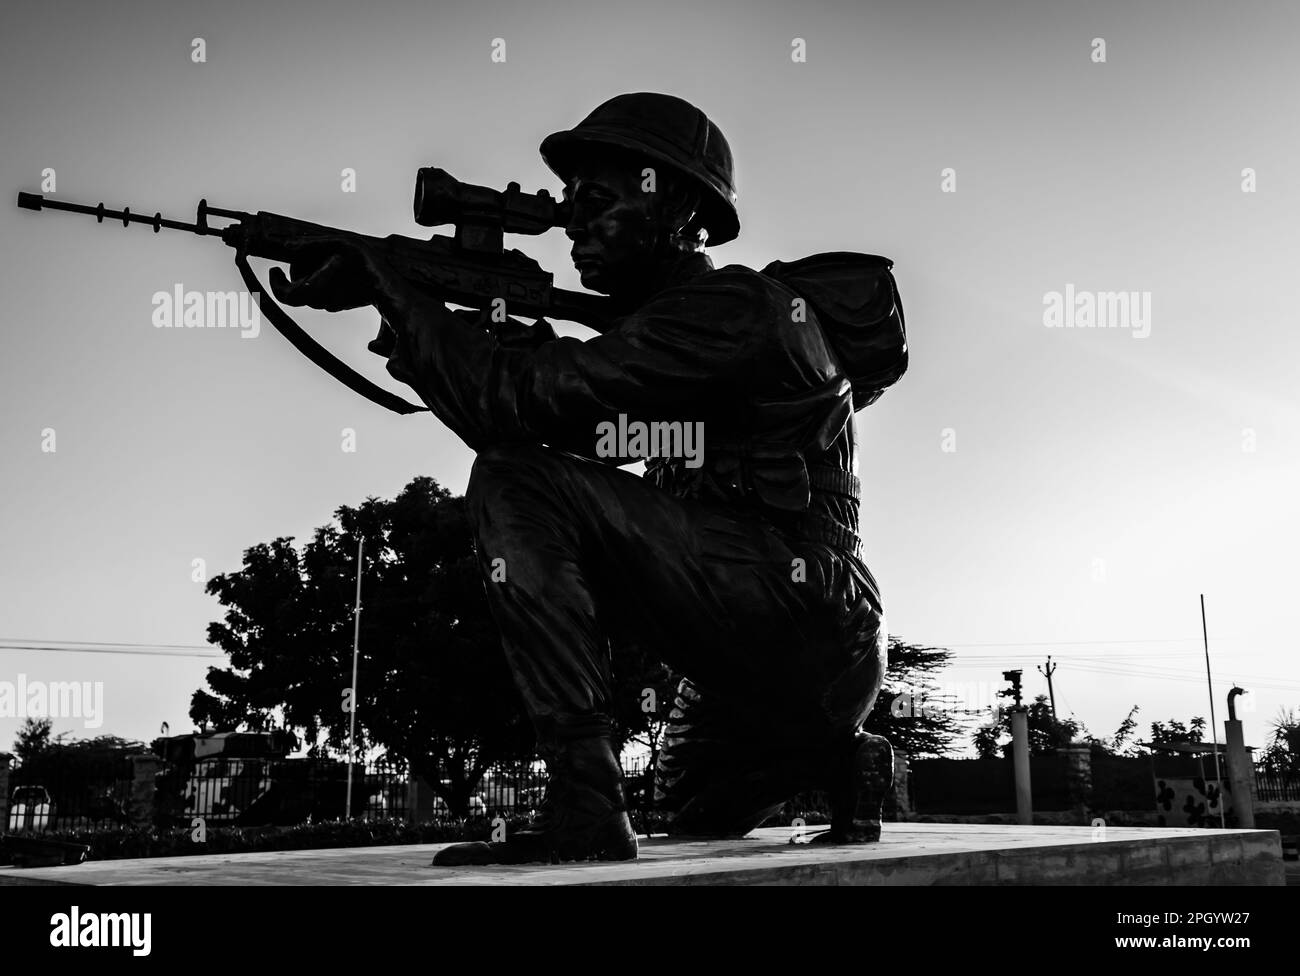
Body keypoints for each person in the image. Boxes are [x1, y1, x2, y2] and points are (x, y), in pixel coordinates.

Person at [269, 92, 906, 865]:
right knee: (694, 811)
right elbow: (571, 427)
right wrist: (437, 329)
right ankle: (841, 755)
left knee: (516, 479)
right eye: (571, 203)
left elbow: (519, 418)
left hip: (797, 606)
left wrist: (396, 290)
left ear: (678, 211)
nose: (574, 222)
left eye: (598, 202)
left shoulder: (736, 309)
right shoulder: (680, 343)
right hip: (765, 646)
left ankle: (585, 803)